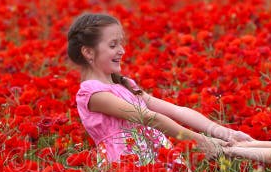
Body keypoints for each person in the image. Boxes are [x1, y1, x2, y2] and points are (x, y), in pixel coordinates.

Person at [68, 13, 253, 164]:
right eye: (113, 45)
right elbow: (148, 117)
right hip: (128, 169)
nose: (122, 50)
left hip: (159, 159)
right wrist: (201, 141)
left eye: (121, 43)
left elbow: (177, 111)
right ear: (88, 52)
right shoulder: (93, 94)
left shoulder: (125, 85)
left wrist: (224, 133)